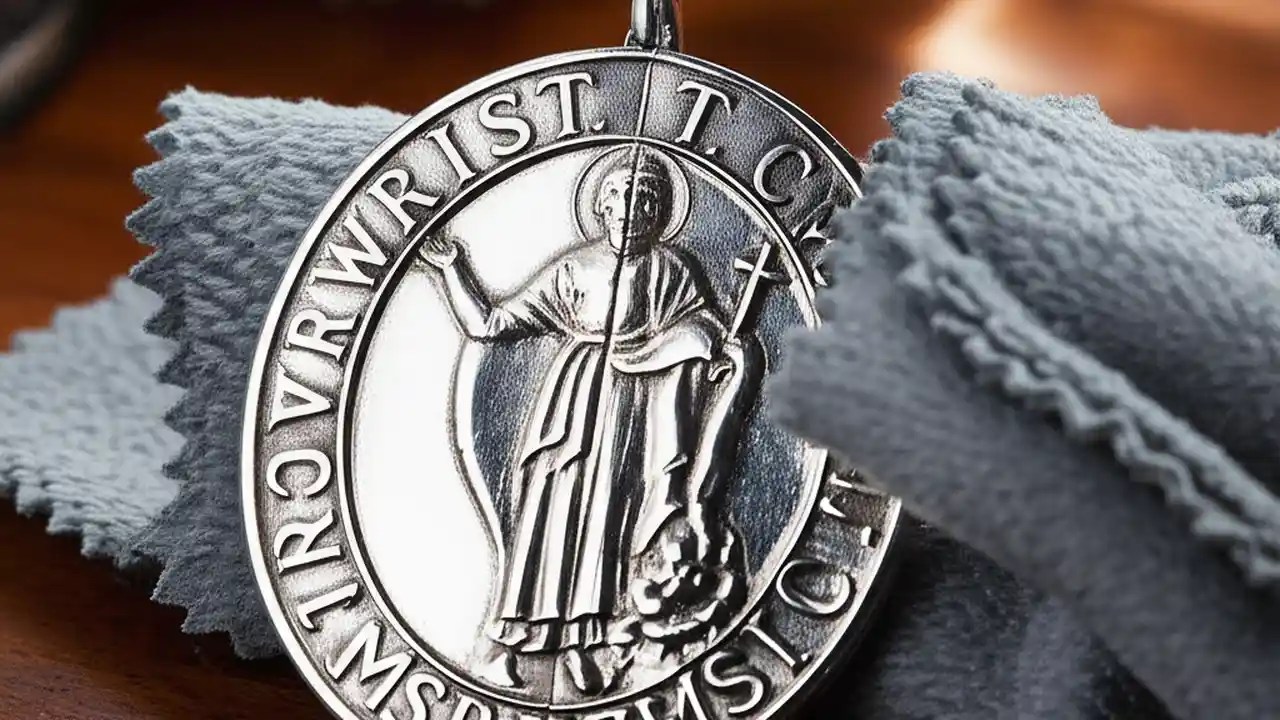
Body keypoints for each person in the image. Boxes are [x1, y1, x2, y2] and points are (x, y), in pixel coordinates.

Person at [417, 145, 757, 695]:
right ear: (602, 209)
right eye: (621, 199)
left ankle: (581, 646)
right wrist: (452, 268)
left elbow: (701, 328)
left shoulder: (671, 269)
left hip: (634, 413)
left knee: (605, 520)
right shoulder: (573, 270)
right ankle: (509, 641)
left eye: (646, 201)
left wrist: (715, 350)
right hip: (572, 404)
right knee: (551, 517)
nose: (632, 211)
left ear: (657, 215)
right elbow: (490, 324)